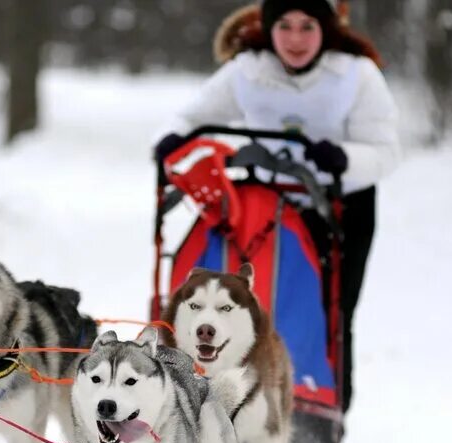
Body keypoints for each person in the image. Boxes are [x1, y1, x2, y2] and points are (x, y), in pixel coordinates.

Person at [155, 0, 399, 416]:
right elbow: (192, 117)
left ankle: (321, 407)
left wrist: (343, 157)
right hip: (266, 203)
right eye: (284, 26)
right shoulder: (249, 69)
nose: (296, 39)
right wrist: (174, 141)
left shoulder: (356, 74)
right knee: (253, 302)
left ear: (326, 29)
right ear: (268, 28)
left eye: (307, 26)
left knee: (331, 312)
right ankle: (221, 394)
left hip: (340, 206)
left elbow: (386, 151)